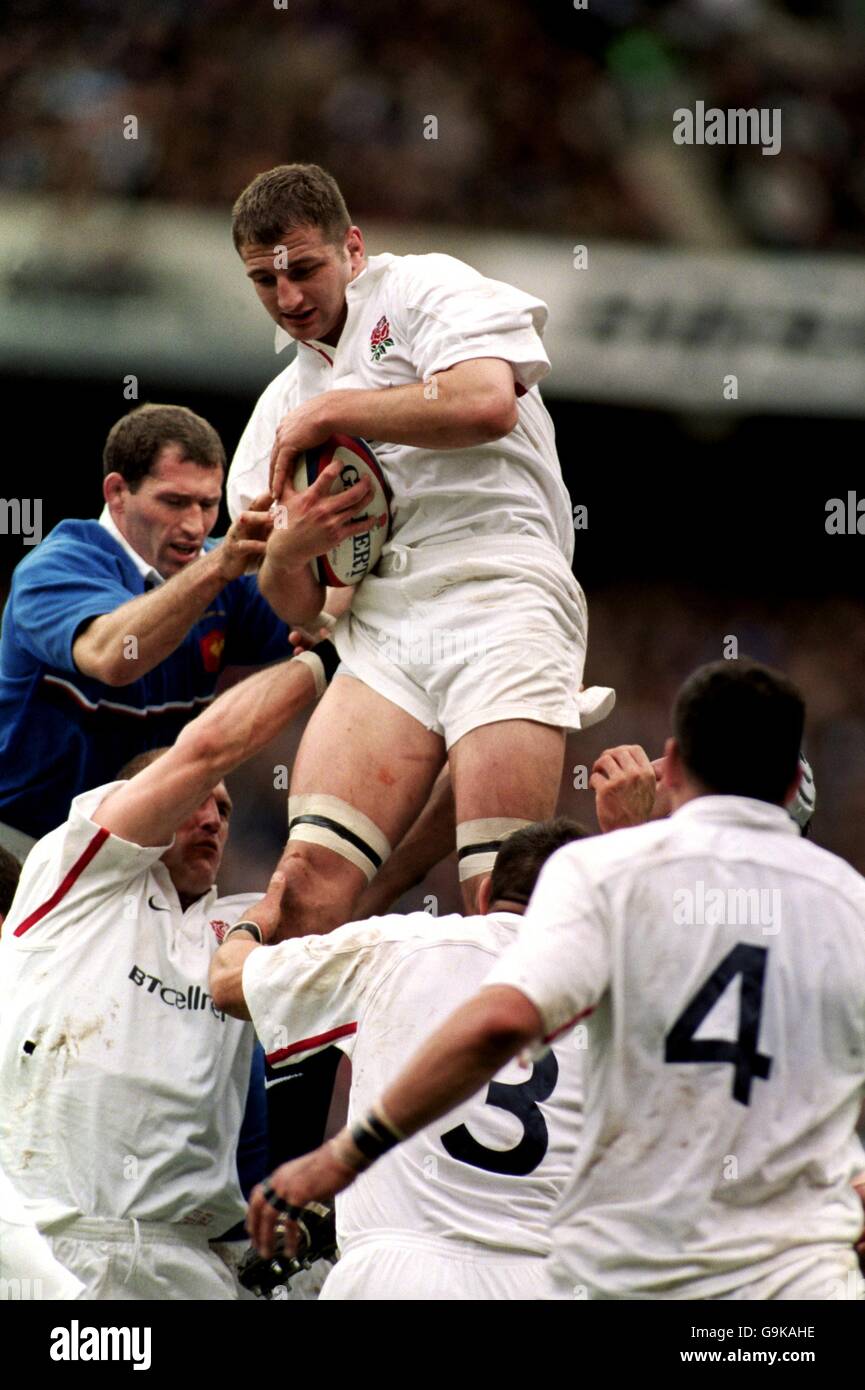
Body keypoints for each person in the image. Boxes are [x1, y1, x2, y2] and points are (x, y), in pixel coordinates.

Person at [246, 658, 865, 1302]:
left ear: (674, 764)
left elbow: (506, 1023)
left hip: (652, 1273)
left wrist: (345, 1154)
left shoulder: (601, 875)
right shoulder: (851, 908)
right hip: (803, 1279)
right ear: (793, 780)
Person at [226, 162, 591, 937]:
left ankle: (508, 1059)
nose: (288, 297)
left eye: (304, 268)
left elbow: (487, 402)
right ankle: (310, 1060)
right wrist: (292, 551)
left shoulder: (423, 290)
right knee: (300, 891)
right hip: (382, 625)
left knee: (497, 895)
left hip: (499, 584)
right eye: (264, 280)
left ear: (351, 248)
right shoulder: (273, 416)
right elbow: (305, 611)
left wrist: (335, 412)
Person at [0, 639, 338, 1300]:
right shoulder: (71, 877)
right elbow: (206, 748)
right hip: (50, 1244)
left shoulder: (241, 931)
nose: (214, 817)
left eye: (226, 810)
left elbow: (367, 878)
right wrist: (331, 656)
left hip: (185, 1259)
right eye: (196, 801)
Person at [209, 818, 586, 1300]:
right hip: (542, 1279)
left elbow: (227, 984)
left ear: (486, 892)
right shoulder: (612, 1001)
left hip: (394, 1274)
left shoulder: (402, 945)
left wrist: (247, 926)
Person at [0, 401, 369, 857]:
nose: (194, 526)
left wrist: (352, 546)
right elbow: (116, 657)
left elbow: (317, 616)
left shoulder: (225, 574)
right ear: (117, 492)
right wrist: (220, 565)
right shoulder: (57, 567)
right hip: (22, 841)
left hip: (134, 850)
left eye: (208, 504)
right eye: (173, 502)